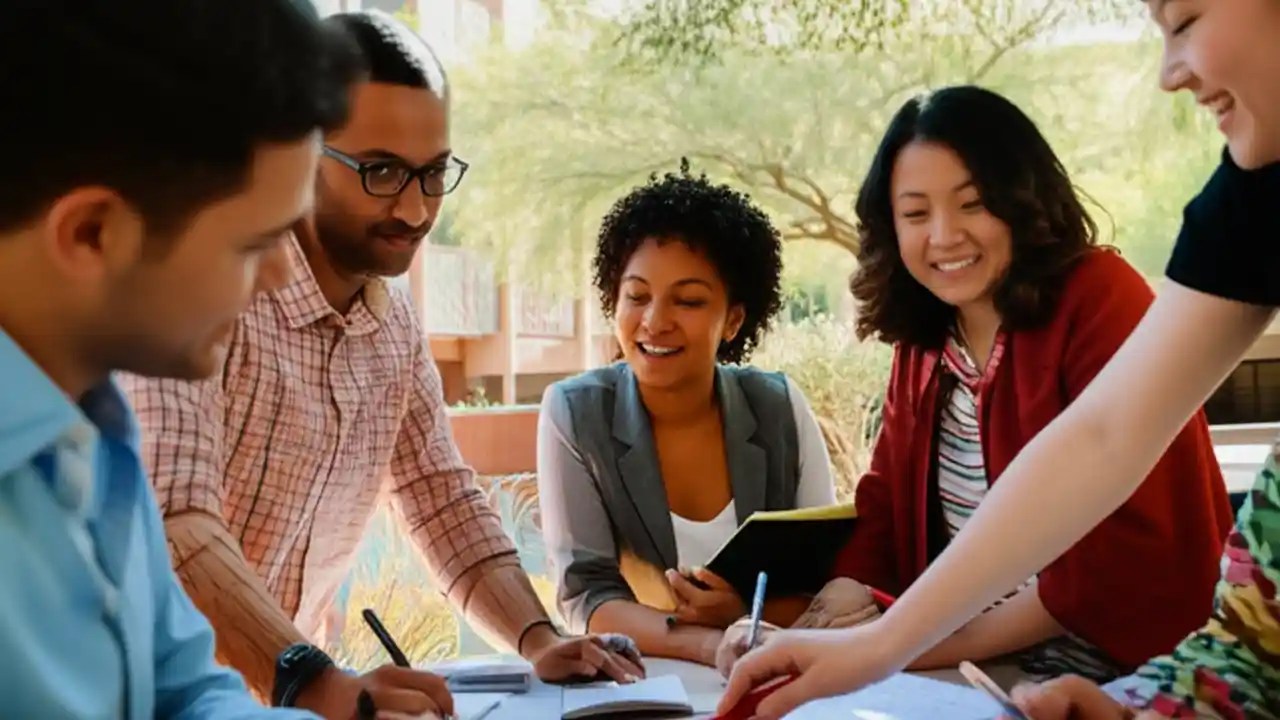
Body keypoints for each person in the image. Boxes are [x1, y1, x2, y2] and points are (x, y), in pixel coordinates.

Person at [719, 1, 1280, 718]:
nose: (1169, 73)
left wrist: (891, 643)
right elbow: (1097, 444)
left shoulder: (1098, 295)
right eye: (916, 214)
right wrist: (844, 621)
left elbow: (1112, 539)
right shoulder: (1252, 199)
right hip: (1018, 671)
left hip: (1093, 656)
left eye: (1187, 19)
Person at [118, 11, 643, 720]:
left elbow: (440, 496)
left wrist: (538, 636)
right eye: (382, 171)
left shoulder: (393, 323)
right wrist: (309, 677)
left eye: (432, 174)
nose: (416, 208)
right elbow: (172, 519)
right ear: (298, 154)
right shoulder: (203, 287)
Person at [0, 0, 360, 717]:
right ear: (94, 234)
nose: (283, 278)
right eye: (254, 245)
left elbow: (185, 693)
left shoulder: (95, 439)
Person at [537, 166, 838, 667]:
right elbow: (586, 596)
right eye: (636, 296)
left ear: (734, 320)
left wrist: (742, 616)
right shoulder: (575, 412)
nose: (654, 321)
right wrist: (710, 643)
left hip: (777, 677)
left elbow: (821, 581)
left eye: (689, 300)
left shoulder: (780, 406)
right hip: (647, 687)